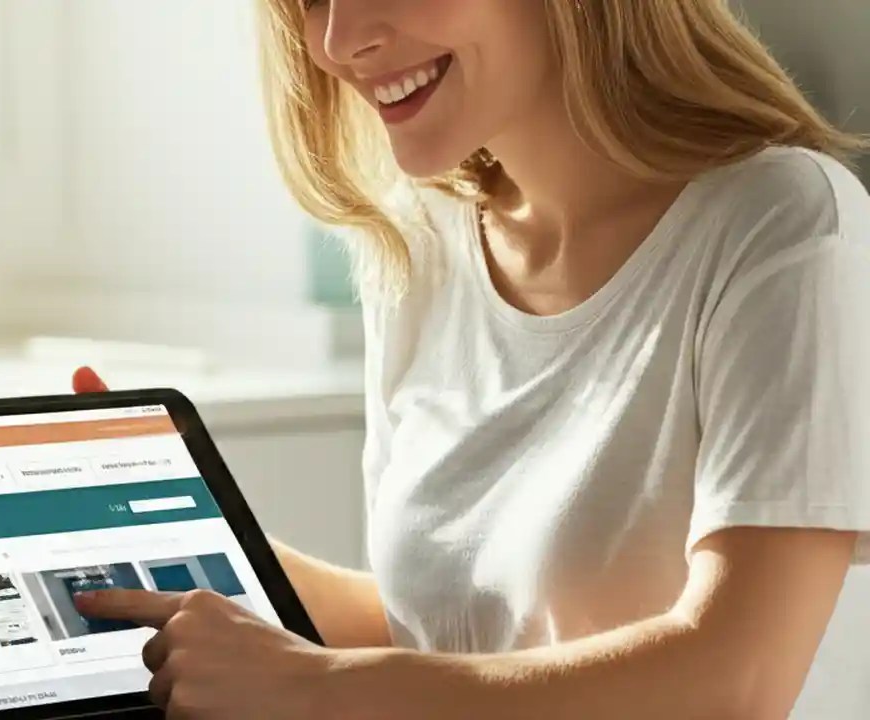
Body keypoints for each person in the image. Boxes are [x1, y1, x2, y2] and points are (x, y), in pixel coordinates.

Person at [71, 0, 870, 717]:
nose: (339, 41)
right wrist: (190, 532)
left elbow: (737, 679)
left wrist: (314, 688)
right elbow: (439, 634)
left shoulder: (785, 225)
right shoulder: (418, 243)